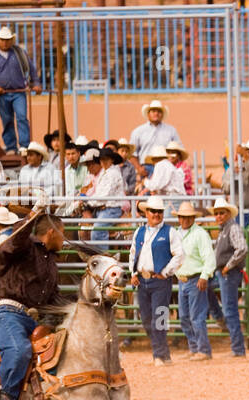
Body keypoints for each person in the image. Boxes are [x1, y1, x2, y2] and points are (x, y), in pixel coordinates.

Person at [0, 206, 67, 400]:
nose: (65, 239)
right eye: (63, 233)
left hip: (30, 319)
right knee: (19, 350)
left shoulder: (49, 262)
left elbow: (54, 298)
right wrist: (32, 215)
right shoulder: (22, 247)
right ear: (52, 233)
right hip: (8, 313)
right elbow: (14, 241)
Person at [128, 197, 184, 366]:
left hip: (160, 281)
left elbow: (180, 255)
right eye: (153, 211)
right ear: (146, 213)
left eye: (159, 211)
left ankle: (158, 354)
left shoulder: (170, 232)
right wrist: (133, 272)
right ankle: (163, 352)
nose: (157, 214)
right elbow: (132, 253)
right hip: (142, 280)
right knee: (146, 318)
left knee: (158, 317)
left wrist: (166, 272)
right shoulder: (139, 232)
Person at [0, 25, 41, 152]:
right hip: (3, 94)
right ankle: (11, 146)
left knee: (22, 117)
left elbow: (31, 68)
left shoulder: (19, 53)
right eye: (2, 39)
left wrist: (36, 83)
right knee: (7, 120)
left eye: (7, 40)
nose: (5, 42)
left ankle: (24, 146)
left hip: (19, 92)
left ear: (11, 40)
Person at [174, 202, 215, 361]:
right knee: (184, 317)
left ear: (193, 218)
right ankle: (195, 347)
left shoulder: (200, 234)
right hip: (183, 280)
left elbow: (209, 257)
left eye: (188, 217)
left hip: (196, 279)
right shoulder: (177, 234)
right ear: (178, 218)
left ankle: (203, 350)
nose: (185, 219)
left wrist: (204, 275)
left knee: (196, 317)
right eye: (182, 217)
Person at [211, 198, 249, 357]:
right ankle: (220, 319)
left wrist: (228, 266)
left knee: (230, 308)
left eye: (221, 213)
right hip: (223, 273)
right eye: (217, 213)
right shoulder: (224, 230)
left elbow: (242, 249)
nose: (219, 216)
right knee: (206, 289)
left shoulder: (232, 228)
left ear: (228, 214)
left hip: (228, 273)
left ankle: (238, 348)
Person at [83, 147, 127, 241]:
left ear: (112, 160)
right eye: (102, 159)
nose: (104, 161)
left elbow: (105, 195)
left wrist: (88, 201)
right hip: (103, 209)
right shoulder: (106, 173)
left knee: (97, 232)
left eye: (106, 159)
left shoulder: (113, 173)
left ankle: (101, 254)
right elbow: (99, 193)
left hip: (111, 209)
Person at [16, 140, 60, 207]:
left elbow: (56, 187)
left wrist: (38, 195)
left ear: (39, 156)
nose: (28, 158)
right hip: (28, 204)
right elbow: (21, 188)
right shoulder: (24, 170)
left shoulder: (51, 168)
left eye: (31, 155)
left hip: (46, 204)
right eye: (27, 155)